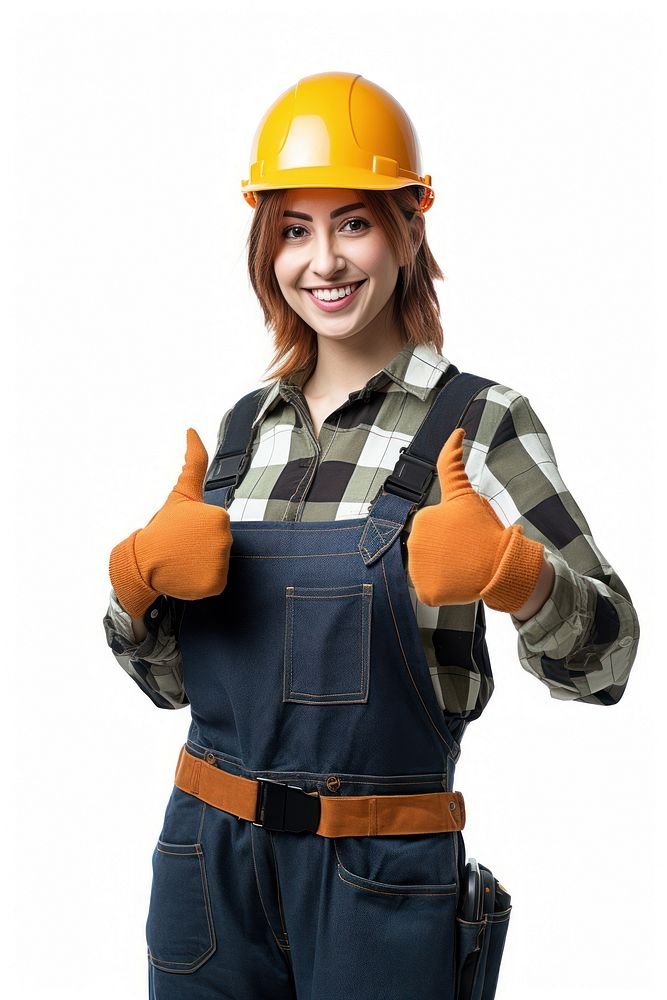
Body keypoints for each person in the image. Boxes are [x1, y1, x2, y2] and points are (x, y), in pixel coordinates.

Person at [103, 72, 640, 1000]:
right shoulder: (242, 431)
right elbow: (170, 685)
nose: (323, 261)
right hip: (206, 859)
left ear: (408, 229)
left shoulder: (481, 421)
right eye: (293, 229)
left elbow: (606, 665)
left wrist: (518, 580)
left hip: (378, 879)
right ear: (265, 245)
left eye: (352, 222)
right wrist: (136, 582)